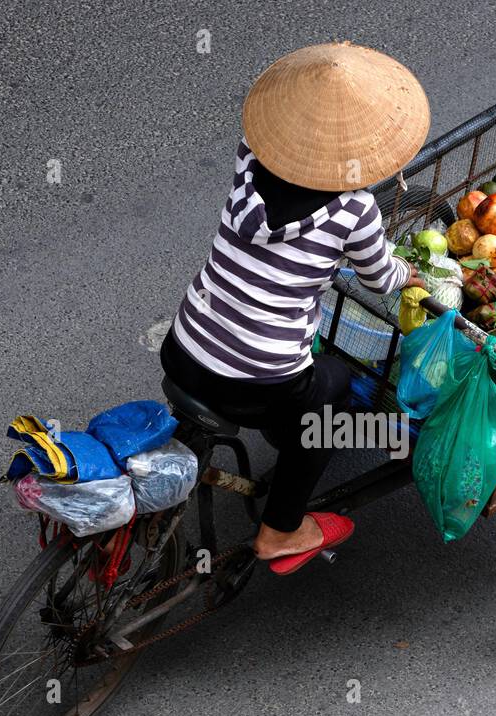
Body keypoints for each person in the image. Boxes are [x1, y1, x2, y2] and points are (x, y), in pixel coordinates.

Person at [160, 42, 430, 575]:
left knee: (292, 376)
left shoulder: (249, 158)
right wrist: (409, 275)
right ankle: (281, 529)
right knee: (330, 385)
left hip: (185, 343)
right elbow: (379, 278)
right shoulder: (355, 208)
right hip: (258, 378)